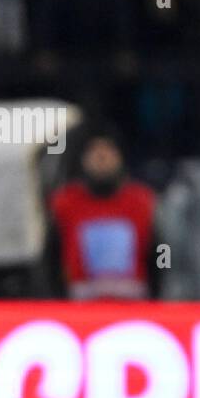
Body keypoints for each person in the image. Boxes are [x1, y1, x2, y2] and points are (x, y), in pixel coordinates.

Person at [49, 128, 158, 300]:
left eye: (108, 149)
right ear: (82, 159)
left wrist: (162, 293)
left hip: (135, 302)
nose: (101, 156)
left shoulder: (143, 201)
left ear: (120, 157)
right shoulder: (64, 203)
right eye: (93, 150)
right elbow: (52, 256)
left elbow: (161, 250)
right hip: (79, 303)